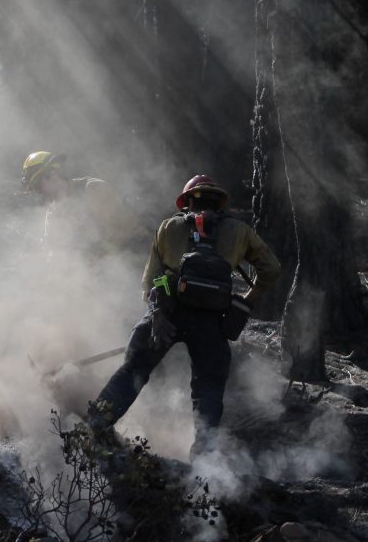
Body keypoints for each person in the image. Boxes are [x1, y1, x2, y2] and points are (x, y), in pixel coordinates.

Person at [88, 174, 281, 458]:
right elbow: (272, 270)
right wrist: (246, 302)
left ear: (188, 200)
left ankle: (95, 429)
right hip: (211, 323)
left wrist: (157, 315)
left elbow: (151, 282)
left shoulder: (169, 227)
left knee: (134, 370)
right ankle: (204, 461)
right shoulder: (240, 231)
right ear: (220, 202)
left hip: (166, 314)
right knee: (209, 388)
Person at [21, 151, 144, 255]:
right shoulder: (53, 213)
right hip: (96, 273)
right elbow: (54, 252)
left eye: (38, 186)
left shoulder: (93, 190)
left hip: (134, 260)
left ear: (52, 175)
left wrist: (95, 255)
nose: (40, 193)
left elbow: (128, 231)